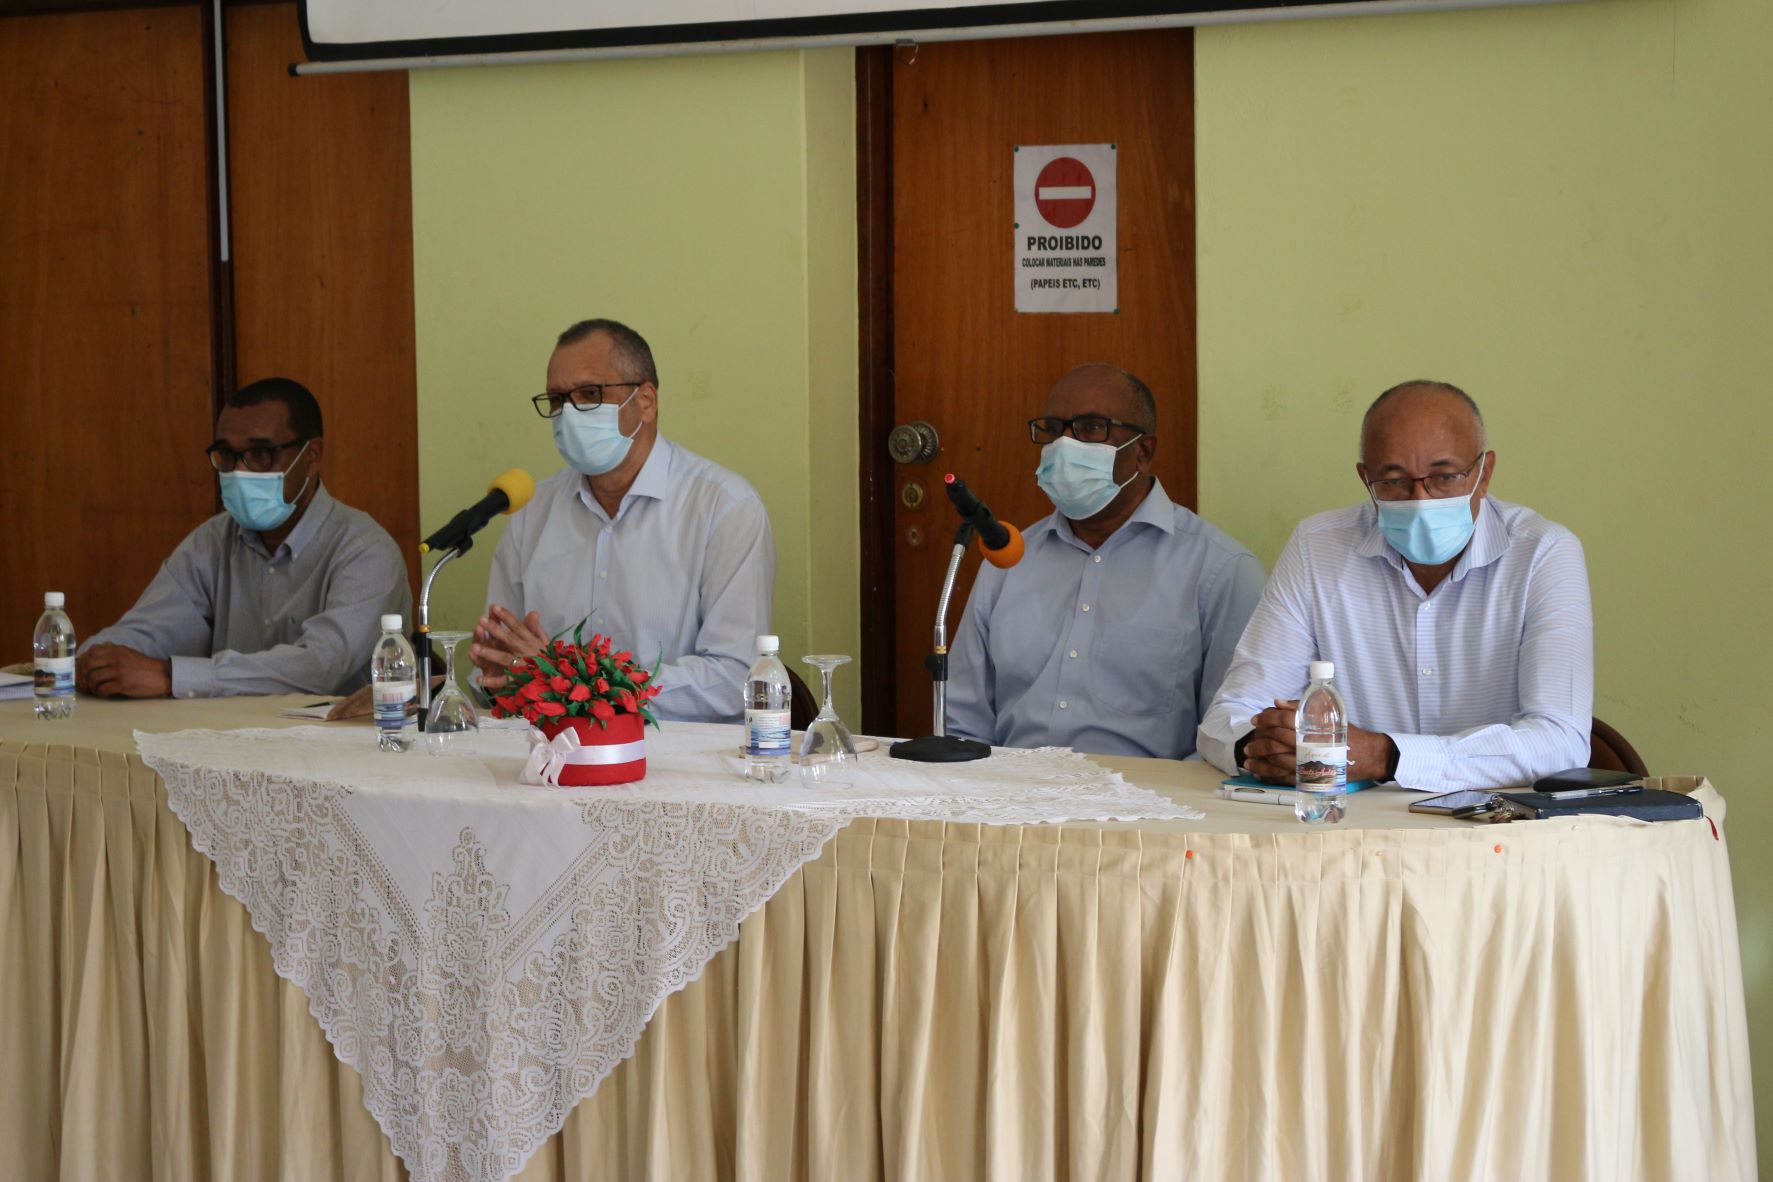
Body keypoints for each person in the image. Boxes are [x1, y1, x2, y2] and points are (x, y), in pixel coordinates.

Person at [1198, 380, 1593, 791]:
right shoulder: (1317, 547)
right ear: (1365, 479)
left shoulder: (1543, 553)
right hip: (1349, 821)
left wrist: (1384, 756)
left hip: (1495, 822)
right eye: (1394, 481)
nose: (1420, 500)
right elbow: (1228, 716)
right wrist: (1265, 749)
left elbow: (1559, 741)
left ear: (1484, 473)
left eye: (1444, 477)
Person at [945, 364, 1265, 759]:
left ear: (1143, 452)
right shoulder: (1009, 557)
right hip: (1012, 786)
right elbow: (963, 719)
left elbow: (1228, 733)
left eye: (1090, 427)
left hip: (1150, 793)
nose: (1064, 445)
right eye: (1053, 429)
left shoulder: (1219, 569)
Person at [467, 319, 774, 723]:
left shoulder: (724, 507)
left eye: (590, 394)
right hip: (550, 749)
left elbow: (734, 678)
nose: (569, 413)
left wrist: (576, 685)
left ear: (645, 401)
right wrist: (497, 678)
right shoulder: (531, 511)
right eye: (558, 400)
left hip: (680, 753)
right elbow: (505, 664)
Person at [77, 377, 411, 698]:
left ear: (311, 457)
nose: (239, 472)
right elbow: (149, 631)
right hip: (225, 732)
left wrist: (171, 676)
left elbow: (321, 666)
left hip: (336, 735)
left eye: (261, 454)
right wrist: (94, 662)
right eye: (227, 455)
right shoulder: (212, 541)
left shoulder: (365, 550)